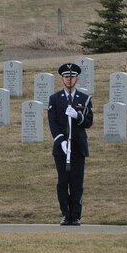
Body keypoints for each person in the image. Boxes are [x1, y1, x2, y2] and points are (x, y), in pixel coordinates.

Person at [47, 63, 93, 226]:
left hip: (78, 146)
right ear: (62, 79)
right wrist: (61, 141)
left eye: (72, 77)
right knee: (62, 181)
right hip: (61, 147)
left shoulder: (85, 99)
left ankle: (76, 215)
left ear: (77, 79)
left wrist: (78, 115)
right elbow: (52, 122)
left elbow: (88, 122)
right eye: (66, 77)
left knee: (77, 182)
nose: (69, 80)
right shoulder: (54, 99)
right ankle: (66, 214)